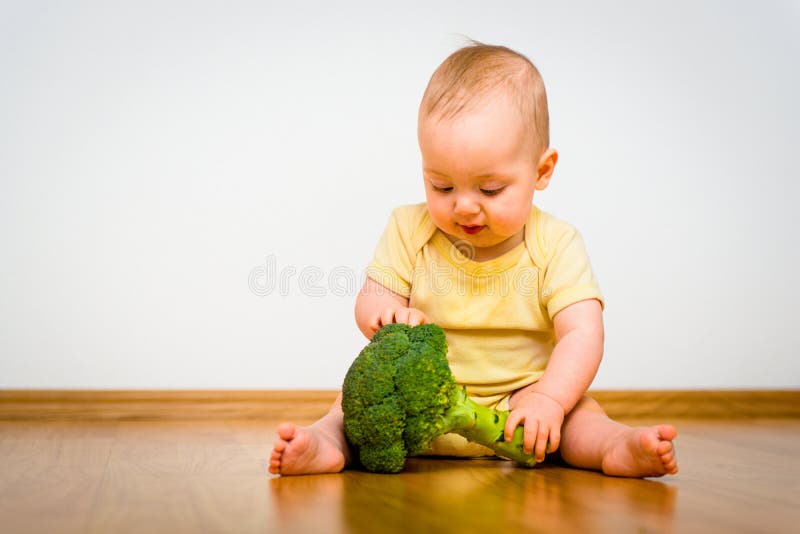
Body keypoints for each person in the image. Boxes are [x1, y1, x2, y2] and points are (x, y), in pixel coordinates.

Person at [269, 42, 678, 477]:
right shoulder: (410, 227)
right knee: (346, 412)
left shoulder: (555, 243)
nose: (463, 206)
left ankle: (615, 446)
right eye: (442, 186)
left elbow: (582, 331)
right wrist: (384, 312)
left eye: (489, 189)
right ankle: (324, 444)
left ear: (541, 171)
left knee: (581, 419)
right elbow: (371, 299)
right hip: (417, 403)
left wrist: (550, 399)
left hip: (523, 404)